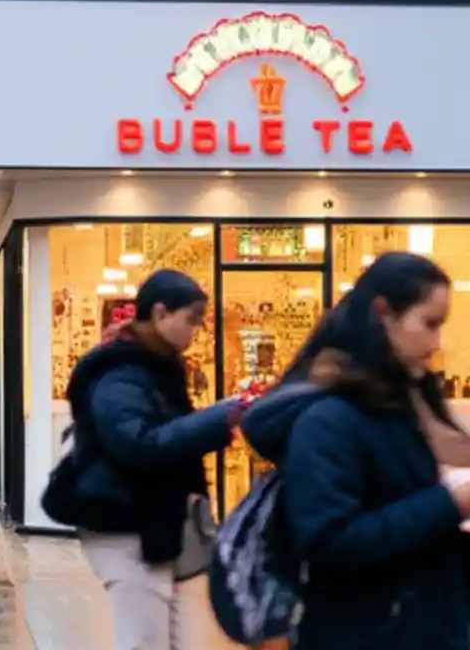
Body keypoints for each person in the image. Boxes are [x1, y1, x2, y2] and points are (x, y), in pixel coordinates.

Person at [242, 252, 470, 649]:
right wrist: (450, 503)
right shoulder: (330, 420)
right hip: (366, 632)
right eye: (429, 323)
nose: (436, 343)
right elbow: (330, 540)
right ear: (384, 314)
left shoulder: (401, 403)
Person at [65, 269, 243, 650]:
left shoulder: (159, 369)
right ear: (161, 313)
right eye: (191, 319)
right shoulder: (118, 374)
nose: (197, 330)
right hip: (128, 529)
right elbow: (139, 446)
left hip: (166, 526)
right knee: (145, 641)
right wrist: (216, 420)